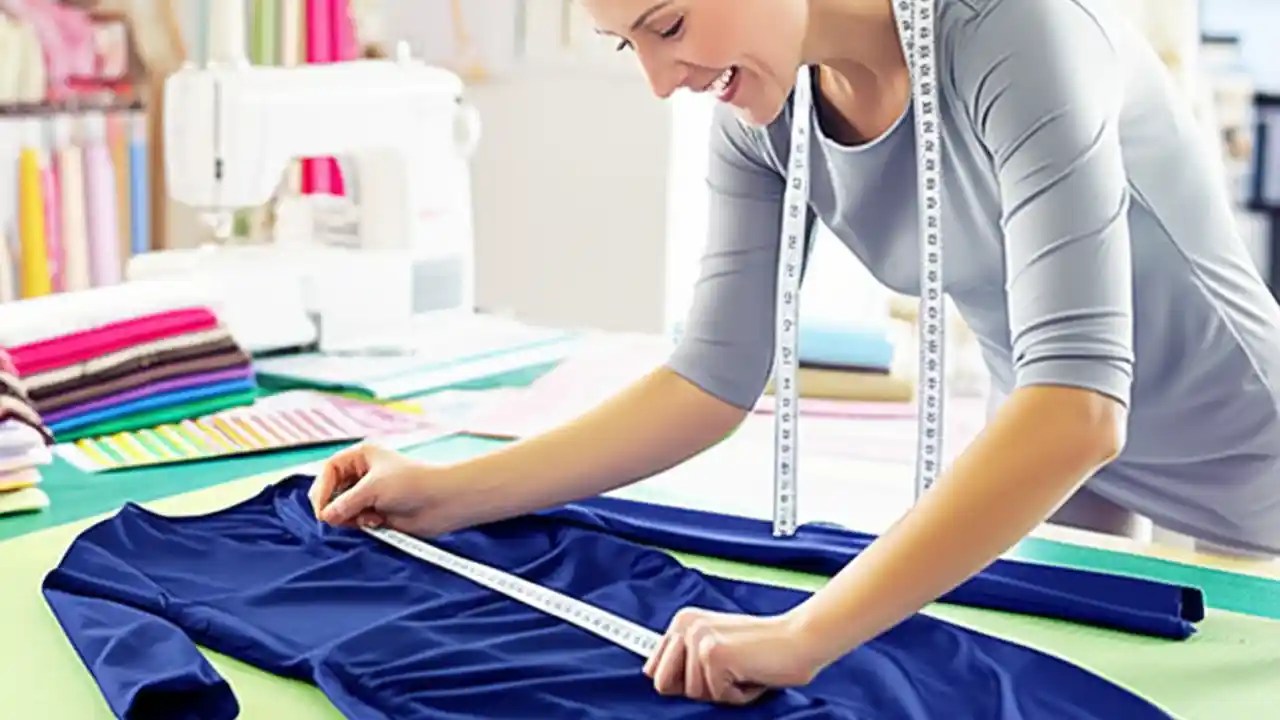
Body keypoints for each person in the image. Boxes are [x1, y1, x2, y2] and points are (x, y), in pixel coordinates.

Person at [311, 0, 1280, 707]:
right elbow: (706, 378)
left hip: (1246, 461)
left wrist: (804, 634)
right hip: (1054, 477)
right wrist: (448, 490)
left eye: (671, 24)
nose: (659, 80)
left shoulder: (1013, 27)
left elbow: (1077, 406)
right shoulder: (763, 110)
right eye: (626, 44)